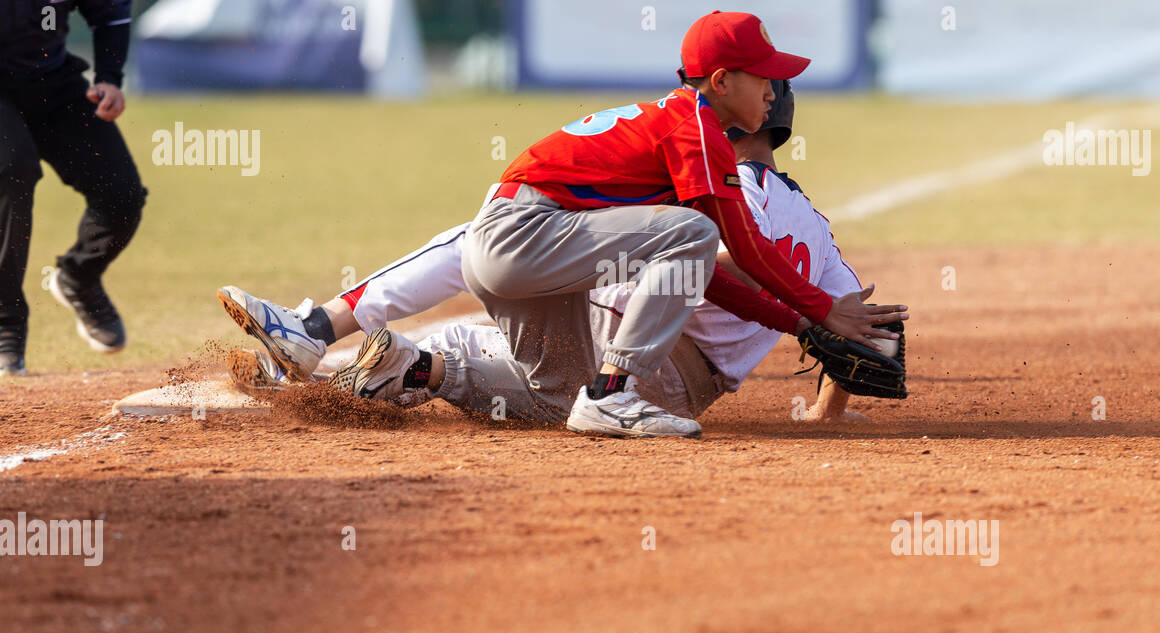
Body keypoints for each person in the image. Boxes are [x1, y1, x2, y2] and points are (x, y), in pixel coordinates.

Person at [220, 80, 908, 424]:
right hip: (666, 371)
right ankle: (394, 365)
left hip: (619, 337)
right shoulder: (815, 227)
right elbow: (875, 336)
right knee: (496, 313)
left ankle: (326, 347)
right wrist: (824, 407)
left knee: (483, 261)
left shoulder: (705, 184)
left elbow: (714, 264)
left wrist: (791, 314)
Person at [0, 0, 145, 376]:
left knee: (122, 195)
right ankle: (6, 324)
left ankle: (79, 277)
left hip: (52, 82)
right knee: (11, 170)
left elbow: (110, 12)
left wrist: (109, 78)